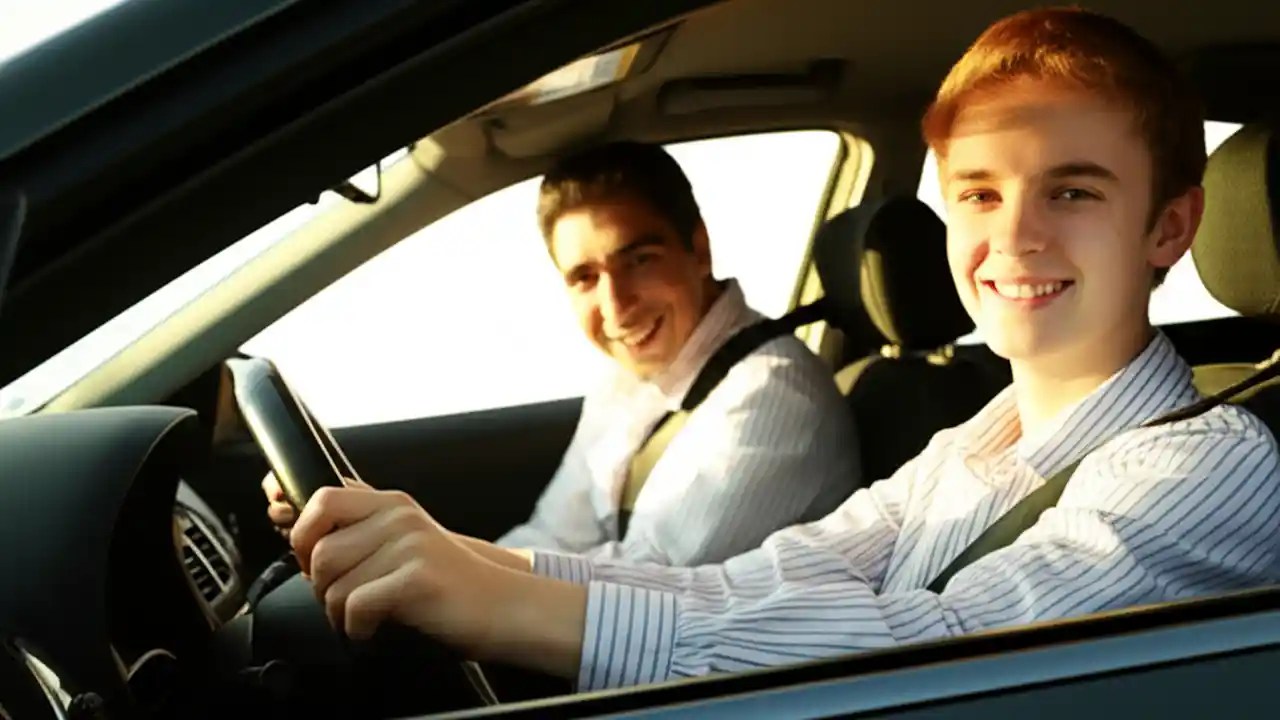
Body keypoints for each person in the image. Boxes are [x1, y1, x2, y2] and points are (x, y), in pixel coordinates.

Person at [285, 6, 1280, 692]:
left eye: (1071, 191)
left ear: (1166, 228)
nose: (1012, 237)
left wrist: (505, 611)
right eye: (977, 192)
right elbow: (750, 584)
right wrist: (441, 554)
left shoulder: (1210, 460)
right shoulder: (976, 440)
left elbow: (943, 650)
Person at [264, 141, 860, 566]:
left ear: (697, 250)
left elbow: (647, 591)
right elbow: (554, 537)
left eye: (639, 260)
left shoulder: (772, 399)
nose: (617, 304)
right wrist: (391, 542)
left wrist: (410, 548)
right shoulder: (630, 383)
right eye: (583, 277)